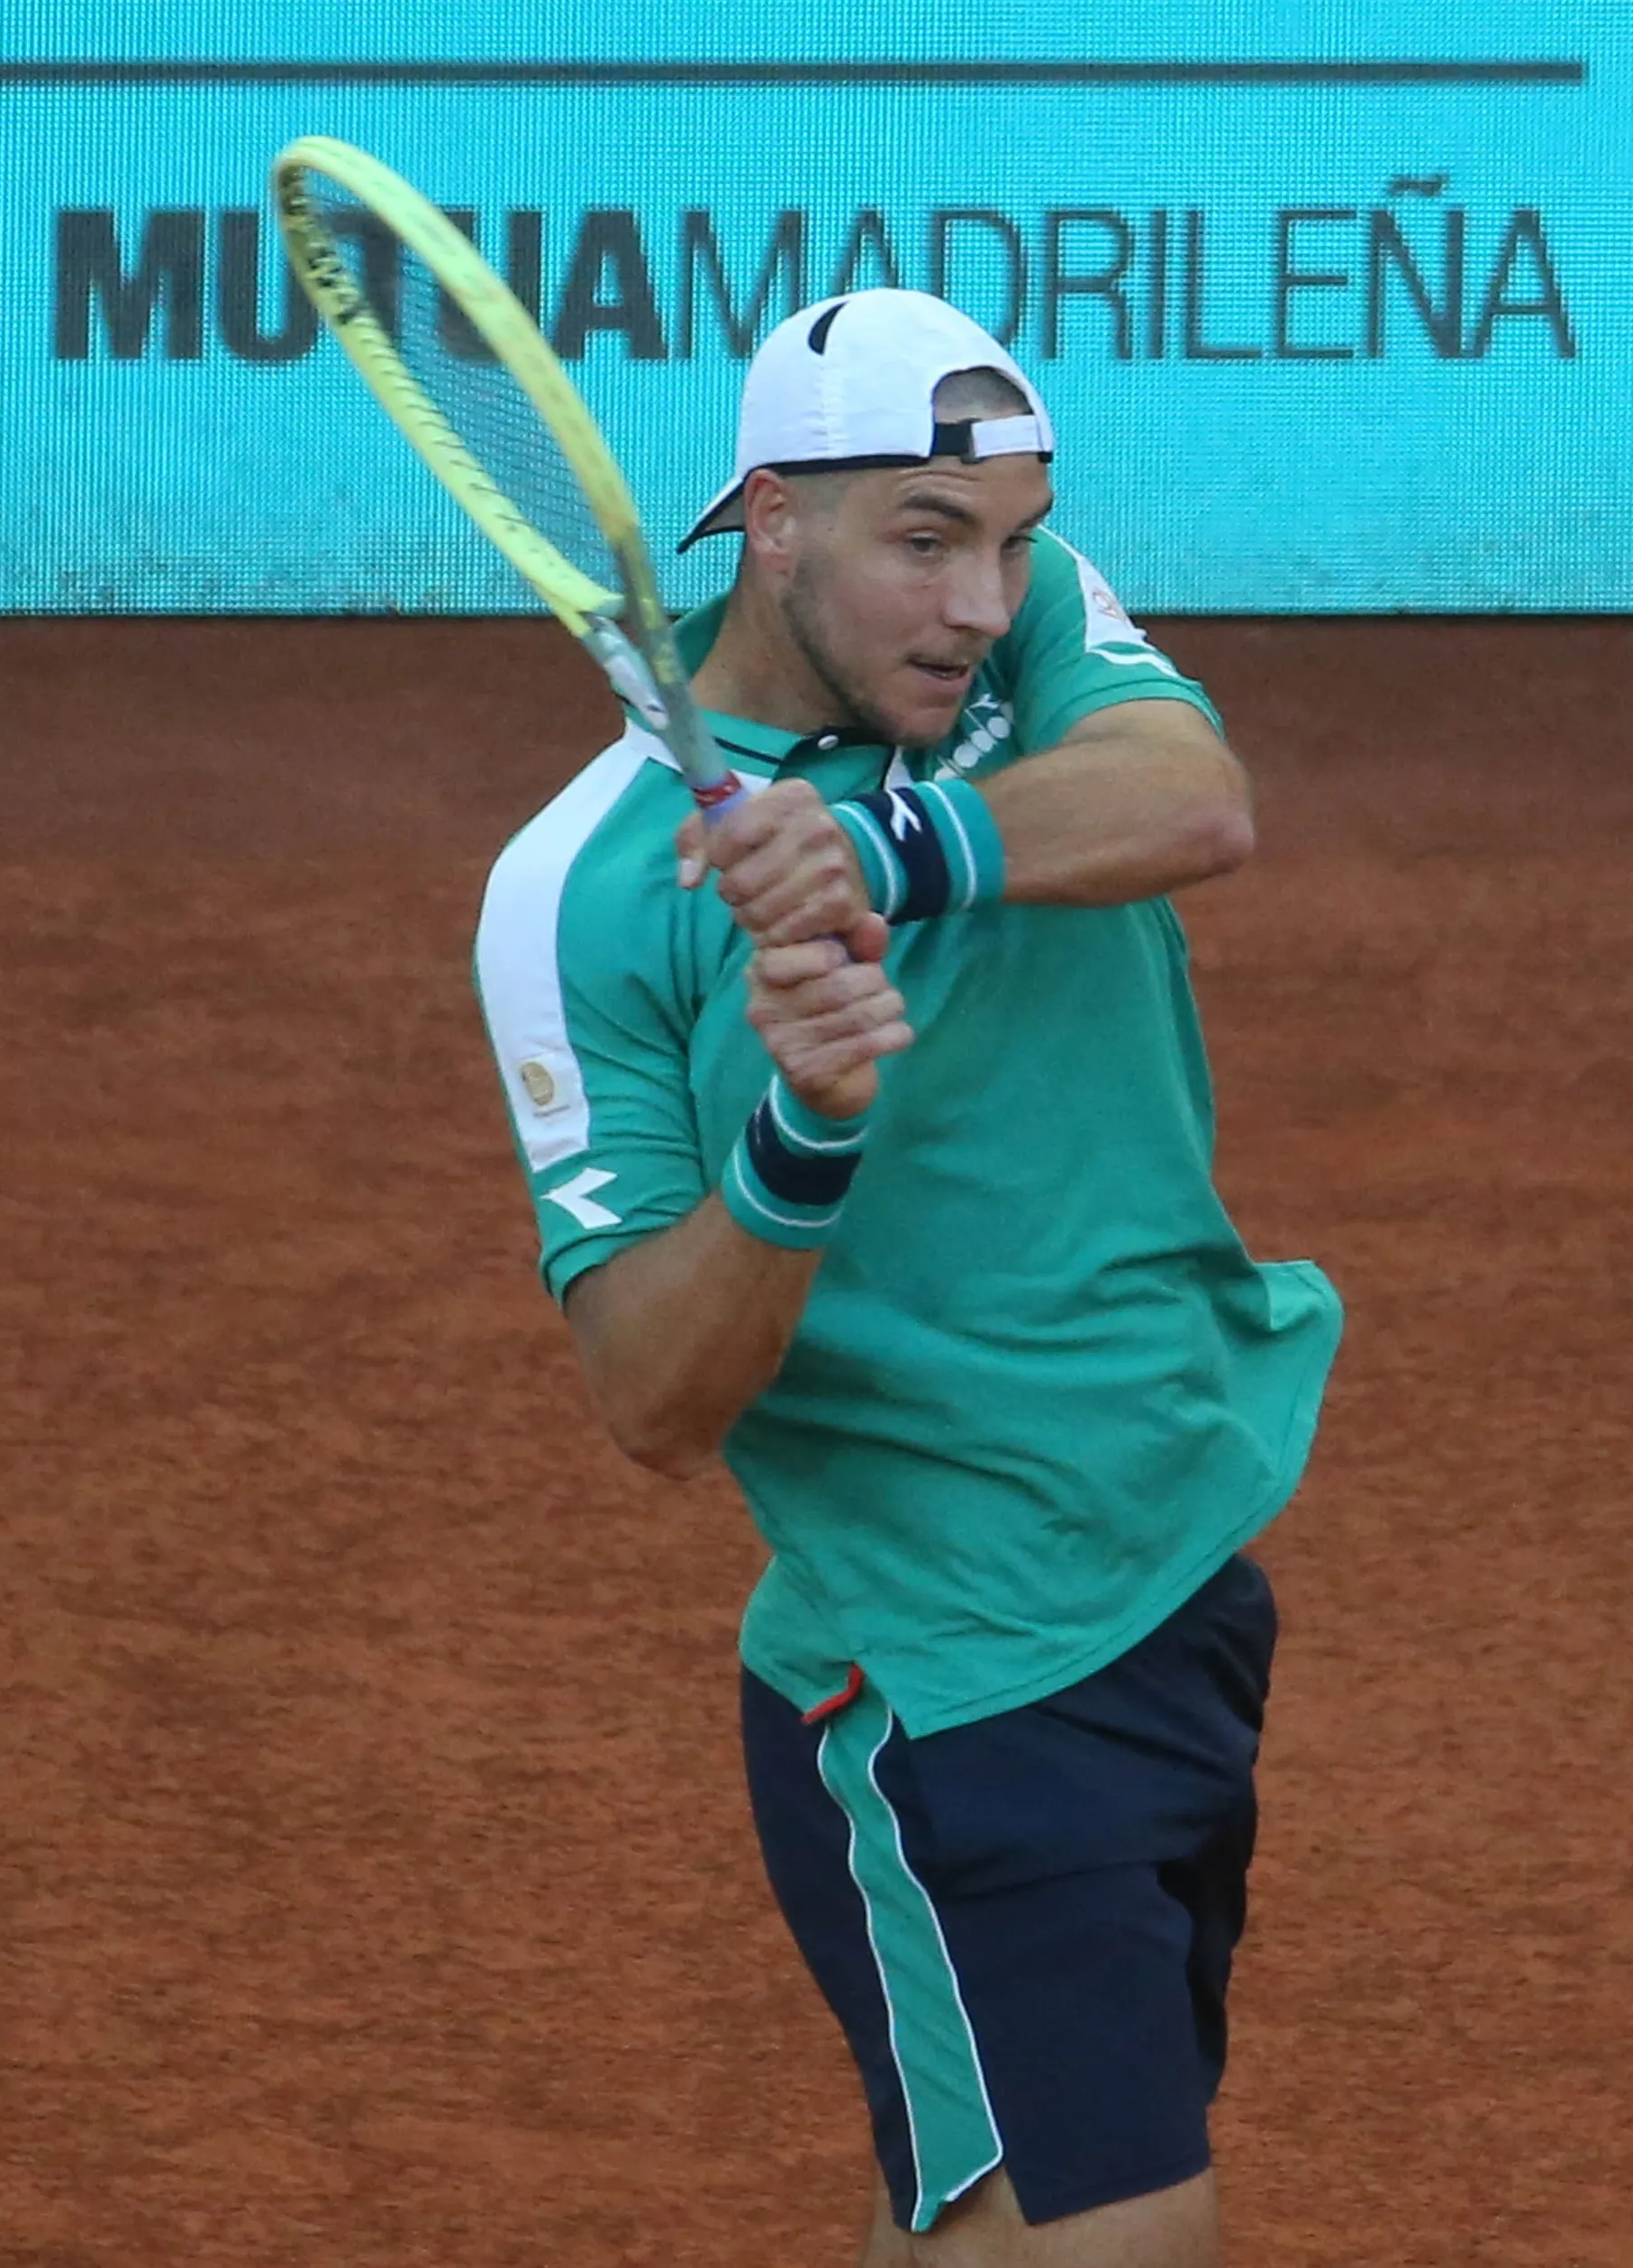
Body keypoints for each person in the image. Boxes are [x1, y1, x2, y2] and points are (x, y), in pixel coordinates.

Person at [470, 287, 1343, 2268]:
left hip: (1175, 1558)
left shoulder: (1014, 636)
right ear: (771, 520)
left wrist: (894, 850)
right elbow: (651, 1397)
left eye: (1015, 536)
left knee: (976, 2222)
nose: (981, 597)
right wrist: (799, 1137)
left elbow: (1194, 800)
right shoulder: (580, 895)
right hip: (946, 1678)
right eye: (924, 540)